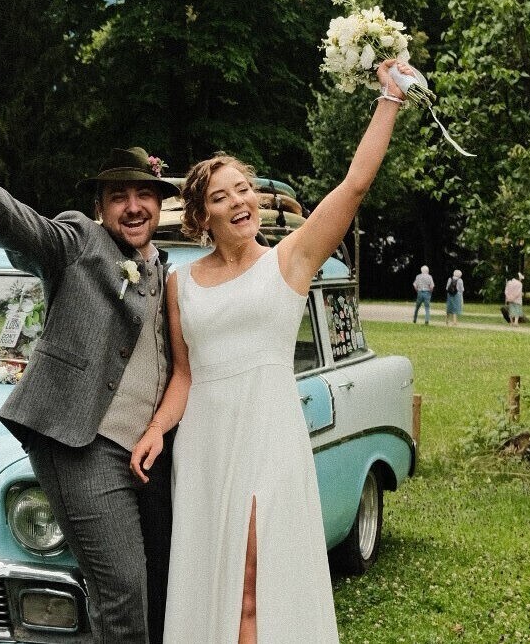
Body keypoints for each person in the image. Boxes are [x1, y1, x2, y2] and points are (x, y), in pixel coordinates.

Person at [130, 58, 410, 643]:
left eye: (245, 189)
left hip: (268, 434)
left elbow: (354, 184)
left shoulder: (291, 260)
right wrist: (157, 430)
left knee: (255, 581)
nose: (240, 200)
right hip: (206, 445)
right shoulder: (181, 282)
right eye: (222, 196)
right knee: (212, 582)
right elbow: (184, 375)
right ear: (202, 217)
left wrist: (389, 99)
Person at [0, 121, 179, 643]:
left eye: (143, 194)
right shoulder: (80, 241)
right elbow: (27, 231)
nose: (133, 207)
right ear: (100, 207)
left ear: (158, 204)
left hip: (146, 452)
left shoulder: (163, 270)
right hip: (80, 441)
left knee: (154, 583)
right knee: (120, 588)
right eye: (118, 196)